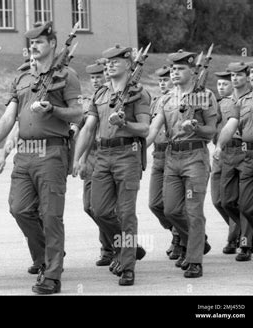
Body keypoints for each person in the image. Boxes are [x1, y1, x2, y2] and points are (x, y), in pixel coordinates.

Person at [0, 21, 82, 294]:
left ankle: (52, 275)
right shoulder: (23, 76)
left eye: (39, 41)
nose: (33, 46)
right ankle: (46, 257)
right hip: (25, 154)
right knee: (19, 208)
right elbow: (9, 115)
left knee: (51, 215)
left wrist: (54, 111)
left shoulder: (67, 75)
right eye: (31, 42)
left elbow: (78, 113)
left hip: (52, 152)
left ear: (52, 43)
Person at [73, 45, 151, 286]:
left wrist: (125, 123)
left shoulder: (139, 93)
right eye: (108, 62)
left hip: (127, 154)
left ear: (129, 64)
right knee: (99, 209)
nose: (110, 64)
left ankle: (127, 265)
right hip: (103, 154)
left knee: (126, 213)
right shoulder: (100, 94)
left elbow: (145, 128)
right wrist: (77, 157)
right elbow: (88, 128)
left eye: (116, 61)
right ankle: (126, 246)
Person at [147, 50, 217, 278]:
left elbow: (211, 131)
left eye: (180, 69)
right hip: (172, 158)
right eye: (173, 69)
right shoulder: (165, 99)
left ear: (192, 71)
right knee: (171, 209)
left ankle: (195, 260)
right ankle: (195, 240)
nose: (175, 73)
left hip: (195, 157)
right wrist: (137, 149)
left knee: (193, 210)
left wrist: (196, 128)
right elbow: (154, 128)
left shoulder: (205, 96)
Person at [214, 59, 253, 262]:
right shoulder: (243, 101)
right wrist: (219, 145)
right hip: (248, 157)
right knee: (246, 207)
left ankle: (247, 242)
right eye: (252, 72)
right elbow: (230, 126)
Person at [72, 62, 114, 266]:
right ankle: (115, 244)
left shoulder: (112, 99)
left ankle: (110, 249)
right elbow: (82, 128)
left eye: (100, 76)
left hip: (106, 155)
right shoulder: (90, 101)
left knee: (102, 208)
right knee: (89, 207)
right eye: (93, 78)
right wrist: (80, 159)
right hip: (91, 157)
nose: (96, 80)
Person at [147, 65, 181, 260]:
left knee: (173, 203)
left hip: (172, 154)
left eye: (165, 79)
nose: (162, 83)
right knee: (154, 203)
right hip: (157, 155)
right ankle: (181, 232)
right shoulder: (156, 102)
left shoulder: (177, 101)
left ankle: (179, 238)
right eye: (160, 80)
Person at [211, 69, 241, 255]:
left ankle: (235, 238)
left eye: (225, 84)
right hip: (218, 154)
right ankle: (243, 229)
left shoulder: (237, 103)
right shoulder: (214, 103)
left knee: (232, 200)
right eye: (219, 84)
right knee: (218, 200)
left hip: (235, 151)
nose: (221, 87)